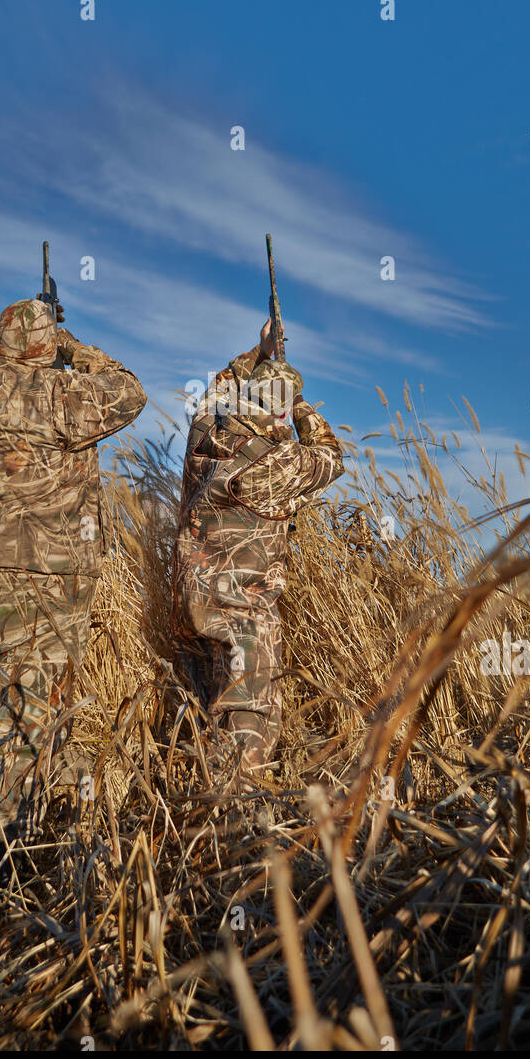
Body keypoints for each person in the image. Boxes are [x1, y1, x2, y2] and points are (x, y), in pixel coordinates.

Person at [0, 296, 146, 891]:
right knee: (23, 734)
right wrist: (72, 349)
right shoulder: (61, 395)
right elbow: (129, 391)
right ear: (46, 349)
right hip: (42, 595)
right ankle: (0, 885)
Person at [171, 319, 343, 781]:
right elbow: (331, 454)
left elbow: (215, 392)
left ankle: (196, 824)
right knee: (248, 735)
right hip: (246, 620)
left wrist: (257, 353)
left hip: (194, 607)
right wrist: (298, 399)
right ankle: (235, 832)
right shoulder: (283, 460)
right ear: (283, 412)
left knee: (208, 720)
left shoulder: (205, 437)